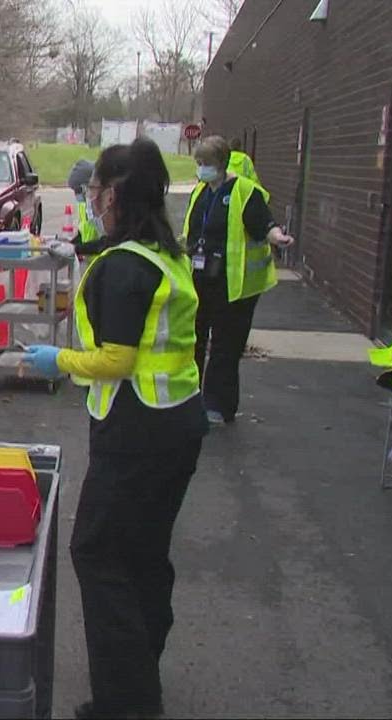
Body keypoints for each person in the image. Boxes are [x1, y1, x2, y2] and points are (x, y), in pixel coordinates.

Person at [20, 138, 207, 719]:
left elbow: (117, 360)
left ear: (117, 195)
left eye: (97, 191)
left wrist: (59, 361)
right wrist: (67, 244)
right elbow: (111, 256)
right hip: (177, 423)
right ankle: (140, 670)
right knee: (146, 554)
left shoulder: (123, 269)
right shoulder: (161, 255)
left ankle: (126, 703)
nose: (92, 200)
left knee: (98, 553)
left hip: (137, 430)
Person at [184, 135, 294, 425]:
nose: (201, 169)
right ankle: (189, 397)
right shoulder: (201, 192)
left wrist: (277, 237)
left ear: (220, 164)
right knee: (193, 338)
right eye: (198, 163)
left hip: (233, 283)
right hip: (200, 277)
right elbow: (192, 230)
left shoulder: (245, 192)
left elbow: (263, 225)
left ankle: (218, 405)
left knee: (225, 345)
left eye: (205, 164)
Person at [67, 159, 107, 256]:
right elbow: (84, 232)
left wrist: (76, 248)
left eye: (78, 190)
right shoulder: (85, 206)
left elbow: (106, 242)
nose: (77, 194)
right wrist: (69, 245)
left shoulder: (105, 210)